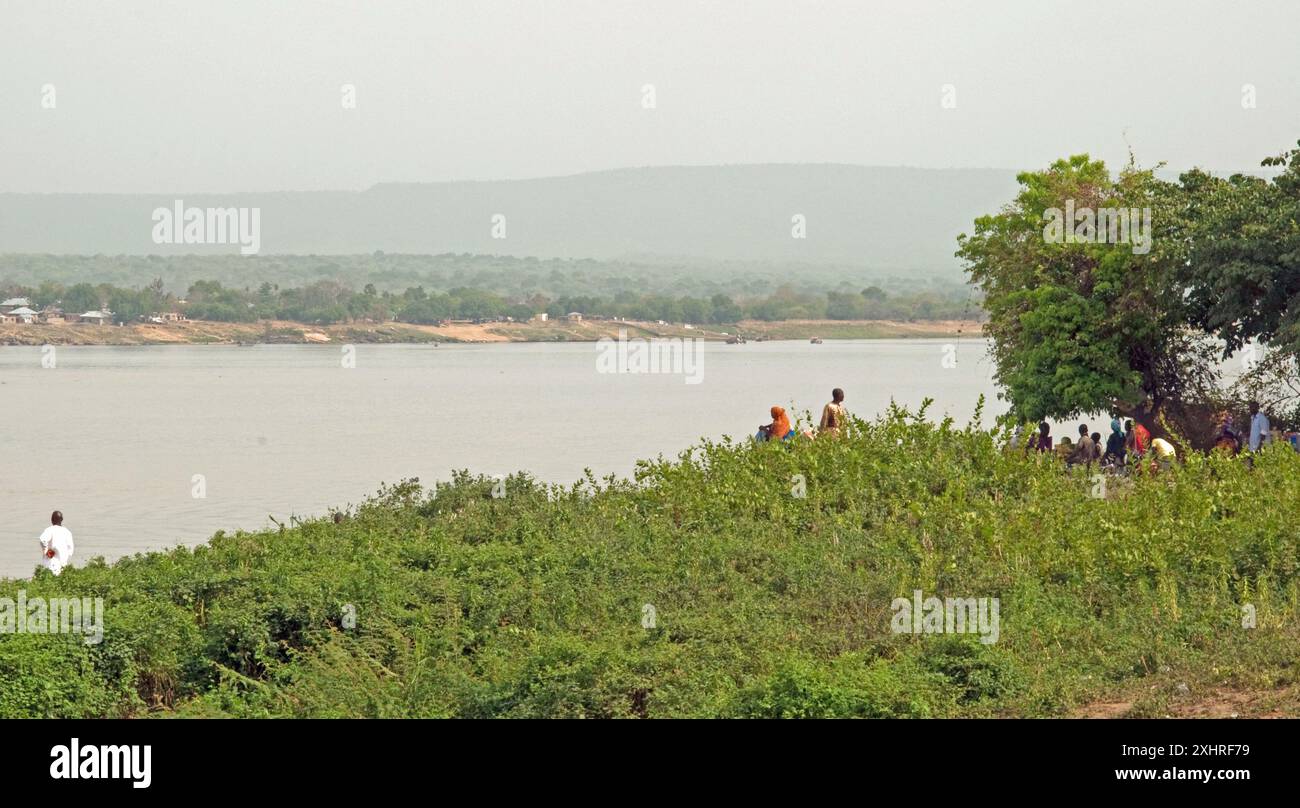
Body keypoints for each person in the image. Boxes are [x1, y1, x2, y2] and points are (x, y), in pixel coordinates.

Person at [39, 510, 74, 576]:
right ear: (62, 519)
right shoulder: (67, 532)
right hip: (63, 565)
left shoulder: (50, 530)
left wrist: (46, 552)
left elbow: (42, 540)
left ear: (51, 520)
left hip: (51, 564)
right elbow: (70, 550)